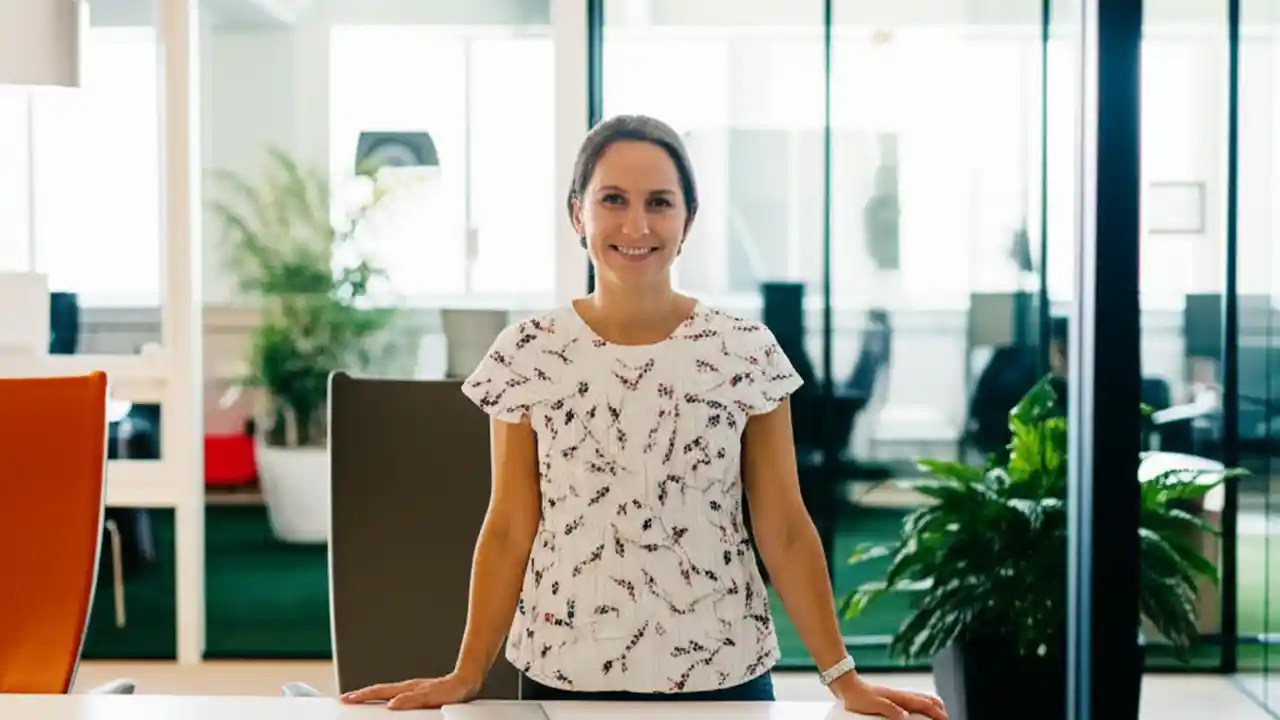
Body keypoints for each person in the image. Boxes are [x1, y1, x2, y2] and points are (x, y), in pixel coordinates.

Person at [340, 115, 947, 720]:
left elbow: (785, 526)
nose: (637, 225)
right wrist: (468, 672)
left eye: (660, 202)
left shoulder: (743, 351)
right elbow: (509, 524)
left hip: (725, 676)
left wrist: (843, 679)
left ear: (688, 219)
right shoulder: (528, 352)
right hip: (564, 678)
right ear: (578, 214)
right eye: (613, 200)